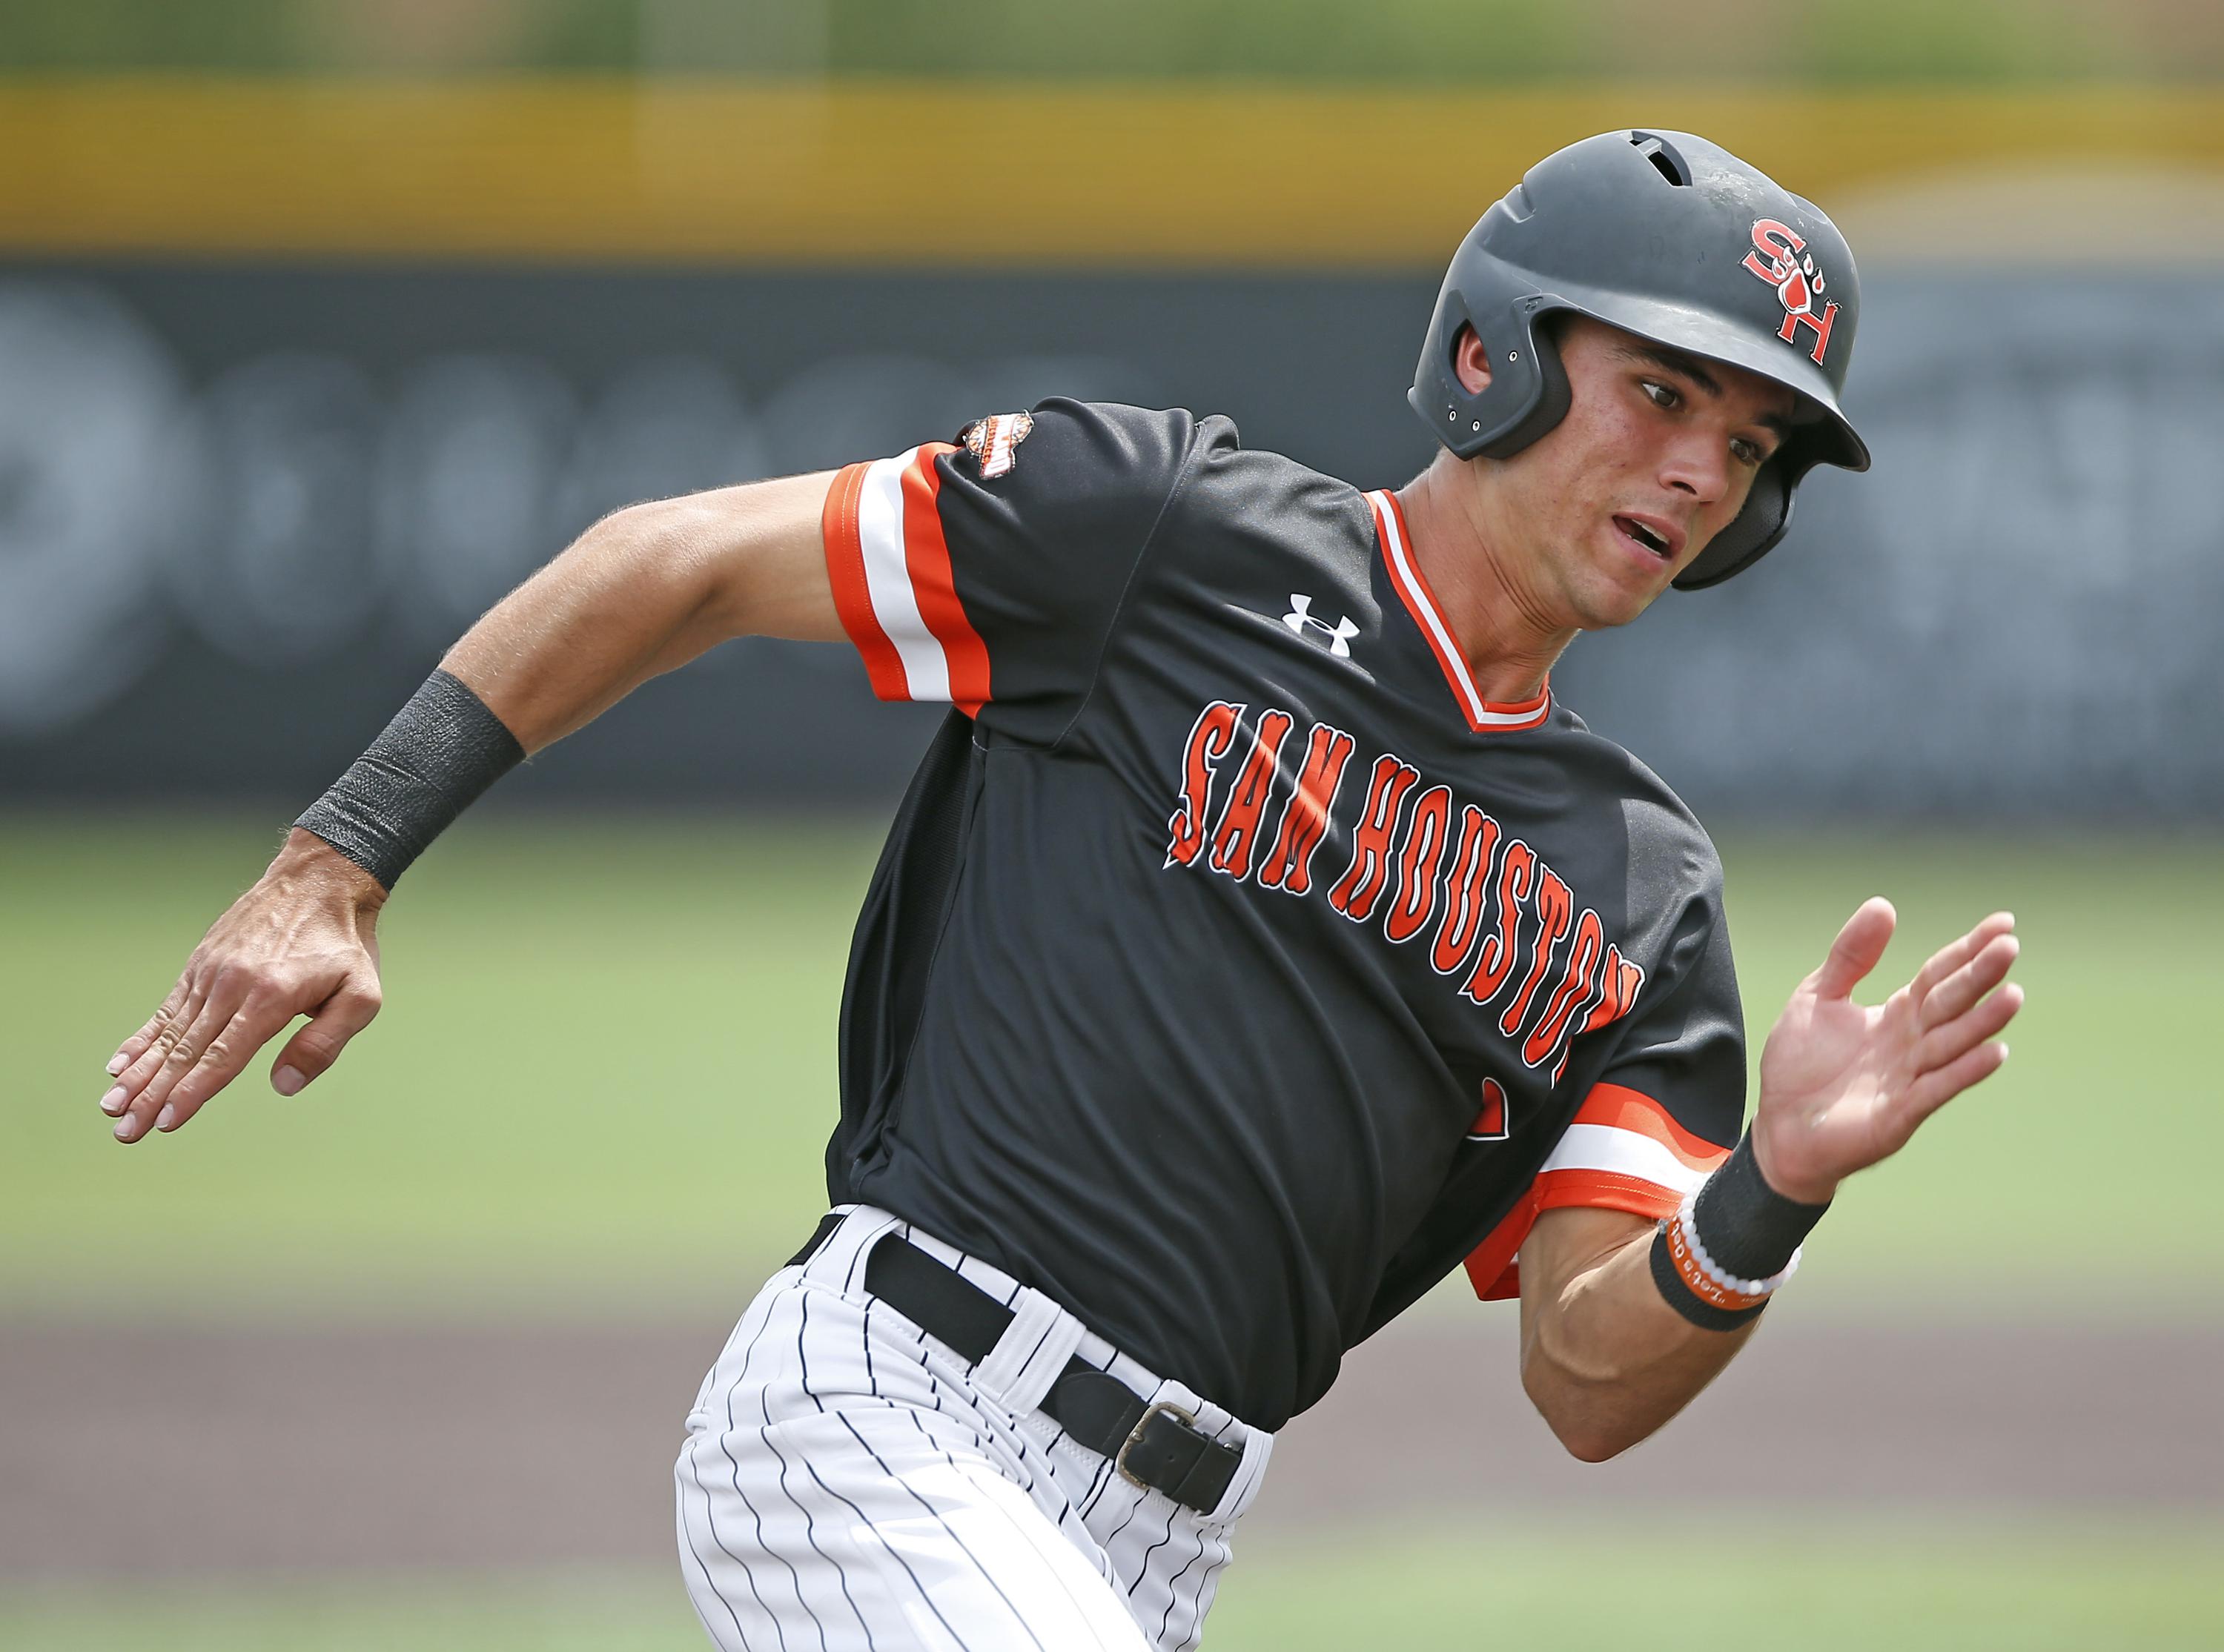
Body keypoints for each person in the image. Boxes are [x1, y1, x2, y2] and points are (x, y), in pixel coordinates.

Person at [100, 130, 2022, 1651]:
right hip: (888, 1416)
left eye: (1751, 446)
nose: (1698, 471)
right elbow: (672, 557)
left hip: (1159, 1550)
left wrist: (1777, 1181)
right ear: (1496, 353)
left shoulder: (1643, 891)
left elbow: (1589, 1380)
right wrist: (332, 862)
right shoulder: (1164, 538)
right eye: (1663, 391)